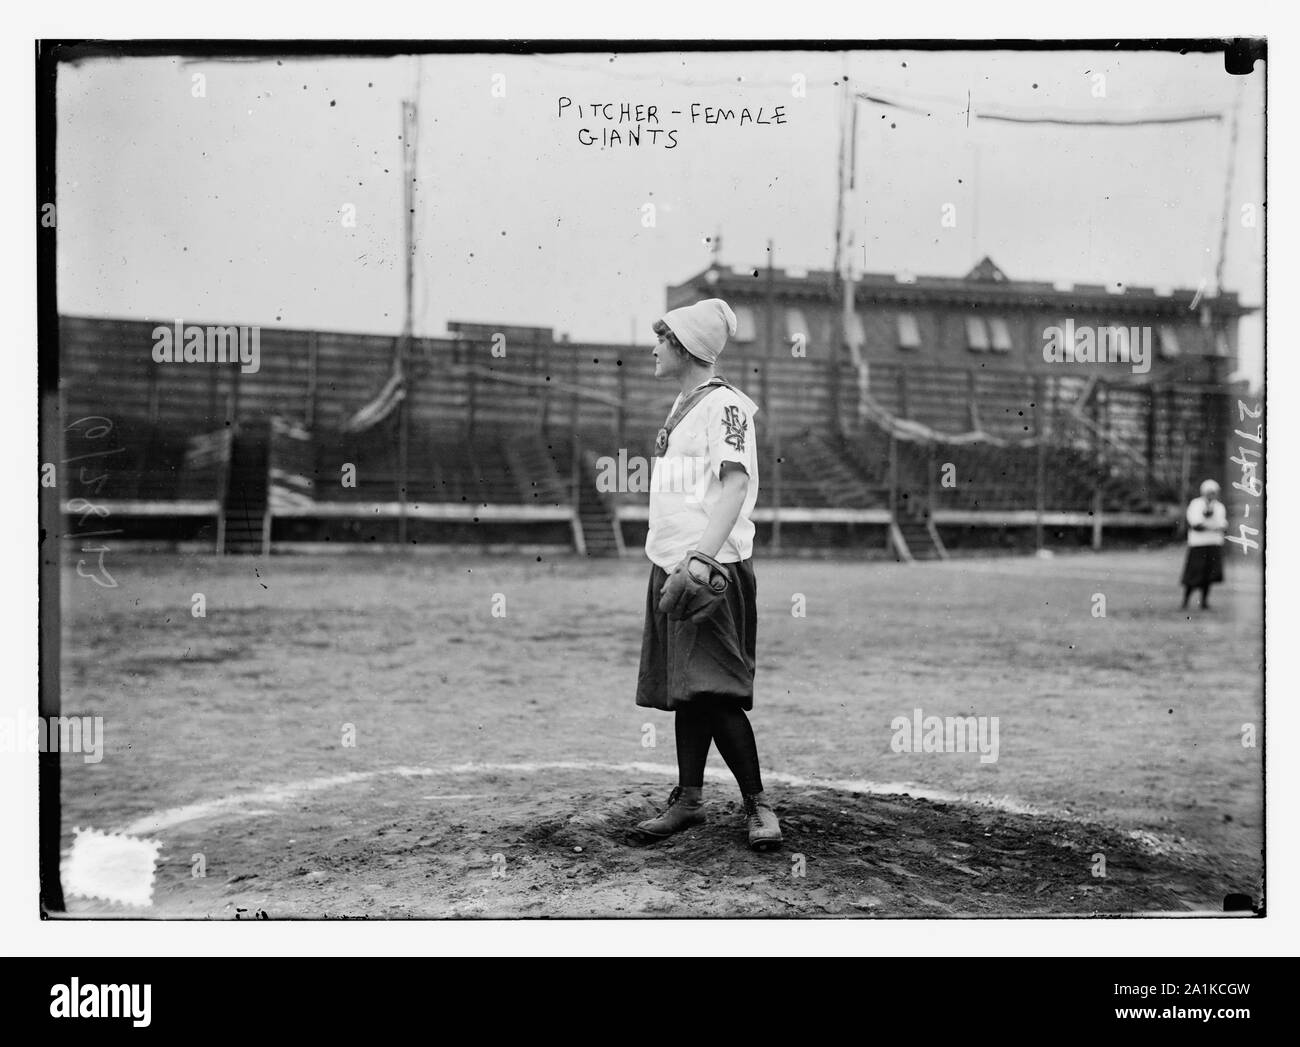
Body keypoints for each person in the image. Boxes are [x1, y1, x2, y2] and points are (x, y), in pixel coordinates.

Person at [631, 297, 782, 851]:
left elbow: (736, 485)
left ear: (687, 347)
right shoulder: (684, 403)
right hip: (671, 563)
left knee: (715, 692)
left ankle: (759, 805)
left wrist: (700, 561)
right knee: (688, 691)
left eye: (662, 339)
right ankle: (690, 800)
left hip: (708, 568)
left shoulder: (727, 407)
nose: (653, 348)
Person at [1181, 479, 1227, 611]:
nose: (1211, 495)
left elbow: (1223, 525)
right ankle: (1185, 601)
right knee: (1193, 575)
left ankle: (1204, 602)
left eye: (1214, 492)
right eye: (1209, 492)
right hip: (1198, 544)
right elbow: (1196, 524)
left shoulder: (1219, 506)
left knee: (1209, 576)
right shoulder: (1196, 504)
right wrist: (1213, 526)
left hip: (1213, 543)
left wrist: (1209, 526)